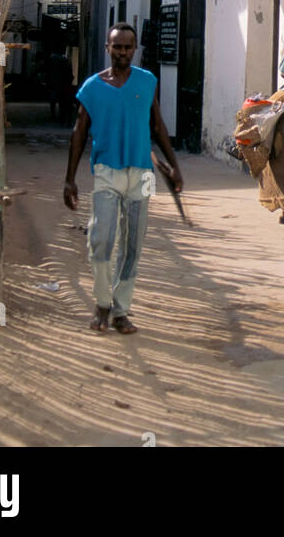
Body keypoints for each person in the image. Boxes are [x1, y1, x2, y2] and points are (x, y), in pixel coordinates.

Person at [63, 22, 182, 334]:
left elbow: (158, 125)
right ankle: (102, 303)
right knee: (100, 239)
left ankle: (120, 310)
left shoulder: (147, 81)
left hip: (141, 173)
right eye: (117, 46)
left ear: (135, 49)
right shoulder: (91, 87)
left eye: (128, 47)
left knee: (133, 245)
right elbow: (79, 133)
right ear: (107, 48)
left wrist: (173, 165)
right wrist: (69, 179)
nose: (123, 52)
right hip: (106, 172)